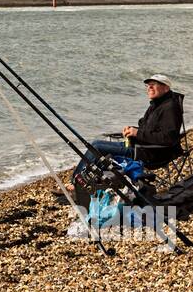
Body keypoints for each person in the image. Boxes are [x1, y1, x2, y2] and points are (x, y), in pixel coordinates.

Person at [69, 74, 184, 202]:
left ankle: (77, 185)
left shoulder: (170, 107)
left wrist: (137, 133)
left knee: (97, 148)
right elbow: (148, 129)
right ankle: (83, 184)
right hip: (140, 146)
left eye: (154, 84)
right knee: (96, 144)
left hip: (150, 153)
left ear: (166, 88)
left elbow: (168, 138)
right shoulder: (157, 104)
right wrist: (131, 130)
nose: (149, 87)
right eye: (148, 85)